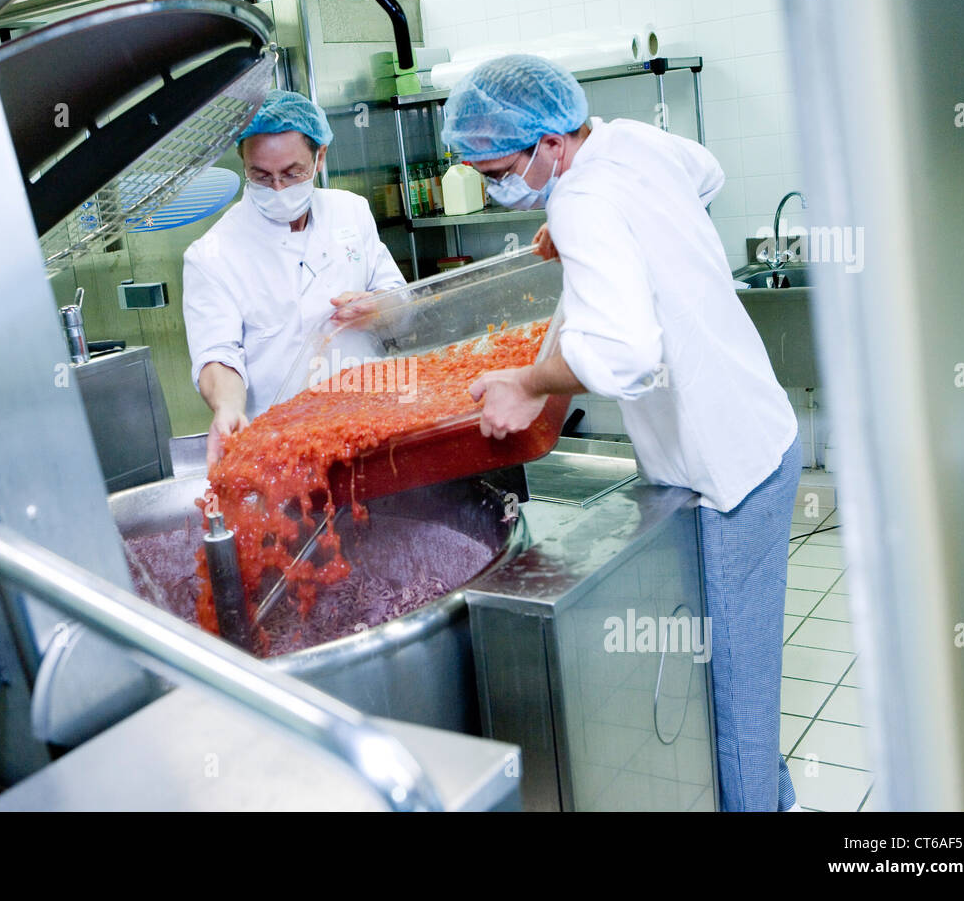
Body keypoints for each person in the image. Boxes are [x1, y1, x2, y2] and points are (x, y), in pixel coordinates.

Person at [442, 54, 802, 812]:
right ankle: (775, 795)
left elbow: (623, 352)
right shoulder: (627, 138)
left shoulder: (581, 201)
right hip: (760, 433)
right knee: (744, 665)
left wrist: (527, 382)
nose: (491, 185)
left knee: (732, 681)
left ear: (548, 142)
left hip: (726, 467)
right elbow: (706, 175)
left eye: (497, 167)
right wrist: (591, 230)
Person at [183, 89, 407, 465]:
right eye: (261, 175)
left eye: (292, 173)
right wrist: (226, 406)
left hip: (373, 425)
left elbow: (399, 299)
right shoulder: (212, 254)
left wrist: (378, 308)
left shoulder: (351, 211)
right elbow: (218, 356)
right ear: (243, 163)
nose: (278, 189)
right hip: (284, 447)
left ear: (320, 157)